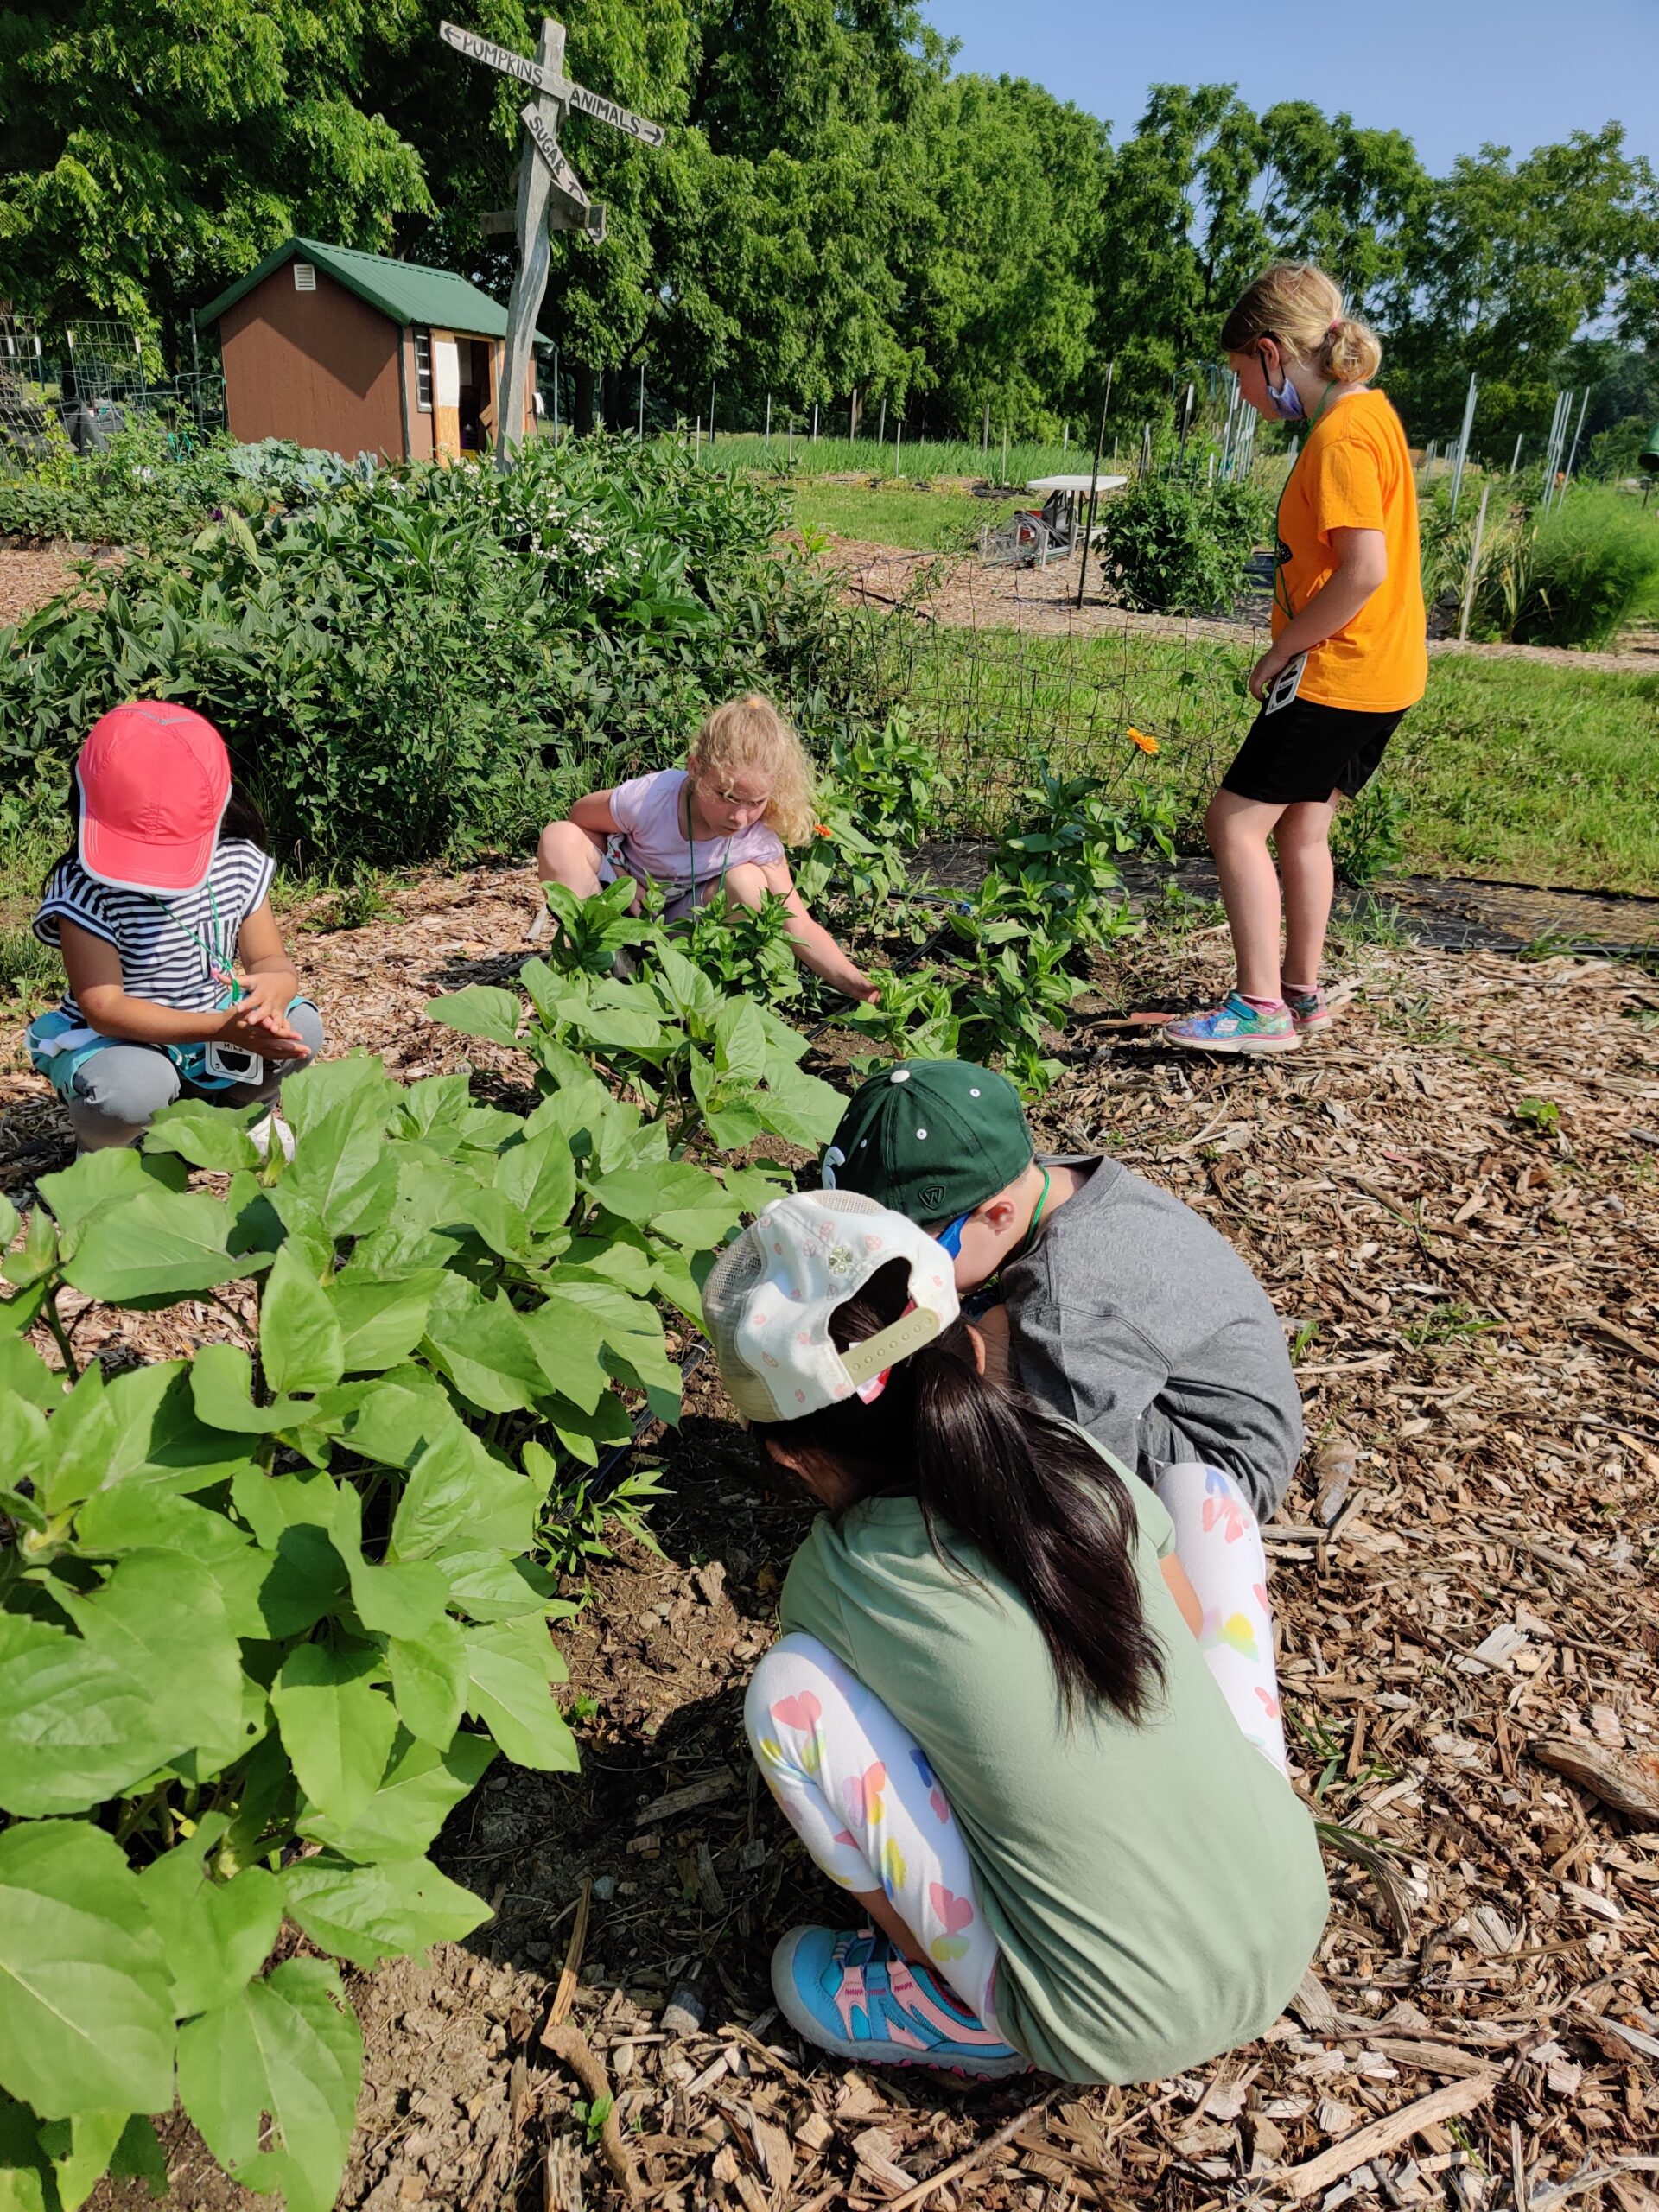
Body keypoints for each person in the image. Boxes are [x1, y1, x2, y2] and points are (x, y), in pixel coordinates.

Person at [705, 1189, 1328, 2079]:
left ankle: (961, 2007)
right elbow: (1185, 1624)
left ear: (789, 1452)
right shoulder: (1078, 1458)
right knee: (1207, 1499)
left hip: (1104, 2024)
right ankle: (1214, 1811)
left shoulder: (835, 1579)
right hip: (1290, 1897)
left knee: (786, 1696)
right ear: (963, 1341)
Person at [821, 1059, 1303, 1522]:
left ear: (998, 1214)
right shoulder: (1052, 1180)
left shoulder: (1062, 1310)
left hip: (1217, 1476)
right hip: (1202, 1395)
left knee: (974, 1372)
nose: (898, 1270)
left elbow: (1090, 1487)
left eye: (916, 1254)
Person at [1167, 262, 1427, 1055]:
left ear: (1273, 353)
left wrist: (1283, 649)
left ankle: (1258, 1010)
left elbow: (1363, 570)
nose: (1243, 391)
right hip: (1387, 672)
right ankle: (1301, 994)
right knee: (1302, 829)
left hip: (1337, 673)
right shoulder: (1369, 413)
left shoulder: (1342, 436)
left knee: (1234, 822)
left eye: (1241, 372)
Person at [28, 700, 322, 1153]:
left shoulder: (237, 864)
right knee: (126, 1094)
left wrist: (277, 988)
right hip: (125, 1042)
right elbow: (104, 1008)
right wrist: (217, 1028)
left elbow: (268, 958)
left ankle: (242, 1117)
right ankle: (108, 1152)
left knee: (301, 1025)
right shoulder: (85, 887)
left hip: (219, 1026)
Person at [534, 693, 878, 1001]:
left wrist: (857, 985)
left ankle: (683, 981)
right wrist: (624, 877)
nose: (740, 817)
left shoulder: (758, 837)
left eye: (755, 801)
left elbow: (799, 925)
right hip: (620, 905)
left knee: (751, 885)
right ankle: (598, 965)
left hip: (679, 923)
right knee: (558, 838)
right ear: (695, 768)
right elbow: (581, 818)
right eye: (726, 797)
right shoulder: (654, 798)